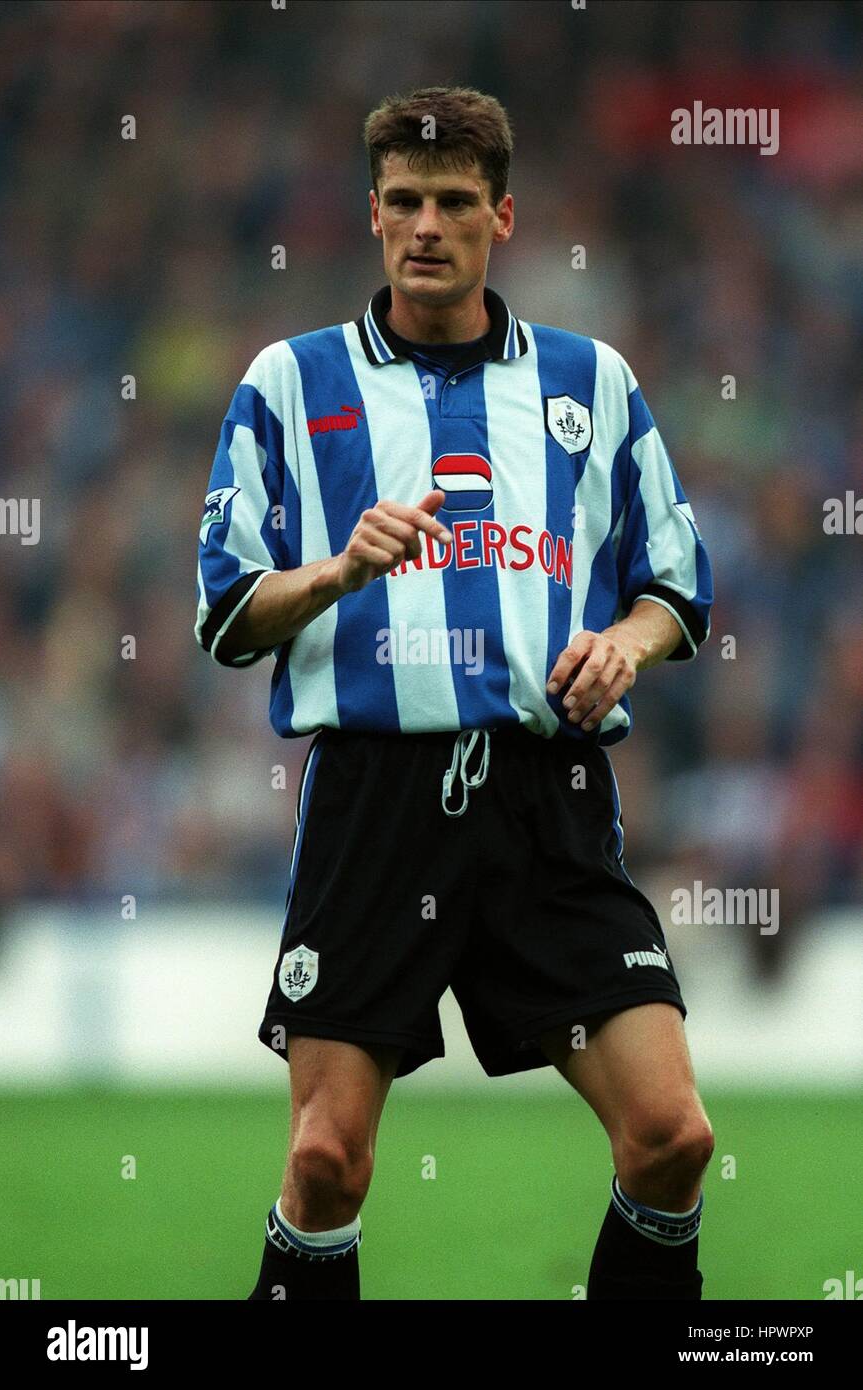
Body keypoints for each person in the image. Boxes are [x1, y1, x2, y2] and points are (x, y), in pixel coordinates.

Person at [195, 85, 715, 1301]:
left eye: (456, 203)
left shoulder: (590, 382)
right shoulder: (289, 381)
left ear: (502, 217)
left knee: (673, 1136)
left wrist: (624, 649)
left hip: (545, 802)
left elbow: (674, 590)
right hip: (373, 803)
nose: (428, 225)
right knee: (326, 1162)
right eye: (407, 201)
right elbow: (223, 612)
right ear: (371, 213)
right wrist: (334, 571)